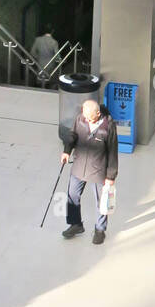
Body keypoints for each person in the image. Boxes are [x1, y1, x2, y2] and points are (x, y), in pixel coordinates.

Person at [60, 97, 118, 245]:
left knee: (102, 201)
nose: (87, 120)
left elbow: (112, 152)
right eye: (85, 117)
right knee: (72, 195)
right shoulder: (81, 119)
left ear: (98, 114)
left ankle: (100, 230)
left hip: (98, 169)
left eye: (90, 118)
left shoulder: (108, 127)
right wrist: (67, 151)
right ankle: (76, 224)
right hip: (79, 165)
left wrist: (111, 176)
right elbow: (73, 135)